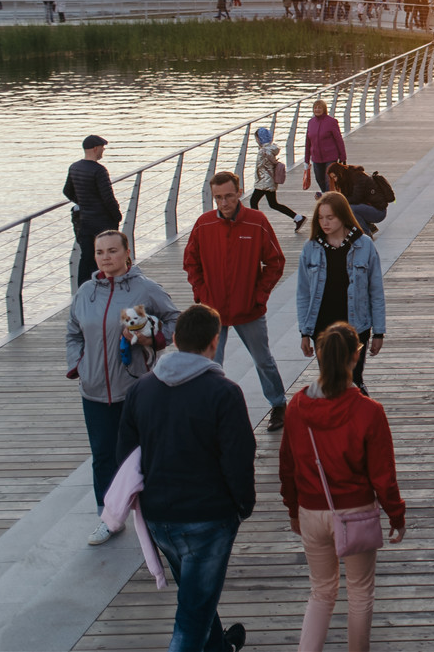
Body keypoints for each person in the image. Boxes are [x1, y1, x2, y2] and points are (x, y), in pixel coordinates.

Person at [117, 304, 256, 652]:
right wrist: (243, 504)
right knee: (191, 617)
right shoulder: (224, 392)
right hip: (207, 518)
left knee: (195, 594)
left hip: (158, 517)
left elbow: (125, 457)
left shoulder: (140, 390)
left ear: (175, 339)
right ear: (214, 342)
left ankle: (220, 648)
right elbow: (238, 458)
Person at [279, 323, 405, 652]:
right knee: (360, 593)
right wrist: (396, 514)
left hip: (311, 509)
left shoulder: (296, 407)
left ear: (318, 356)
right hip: (356, 511)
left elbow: (287, 466)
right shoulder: (369, 411)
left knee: (321, 592)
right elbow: (383, 475)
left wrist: (293, 510)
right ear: (355, 356)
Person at [66, 230, 180, 544]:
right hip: (94, 391)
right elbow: (73, 331)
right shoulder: (86, 292)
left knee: (142, 453)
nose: (106, 257)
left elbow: (174, 319)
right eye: (100, 252)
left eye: (112, 251)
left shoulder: (146, 288)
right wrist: (78, 365)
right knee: (103, 456)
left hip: (135, 390)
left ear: (127, 252)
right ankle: (110, 518)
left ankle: (156, 512)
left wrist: (152, 340)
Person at [183, 171, 289, 431]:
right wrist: (202, 295)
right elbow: (190, 262)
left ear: (240, 192)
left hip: (248, 309)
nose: (224, 203)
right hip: (213, 310)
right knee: (210, 364)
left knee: (263, 359)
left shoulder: (257, 221)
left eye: (228, 196)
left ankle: (279, 405)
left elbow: (275, 262)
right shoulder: (204, 224)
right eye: (218, 198)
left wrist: (259, 295)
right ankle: (212, 410)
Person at [296, 193, 386, 393]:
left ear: (343, 216)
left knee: (354, 380)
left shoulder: (364, 245)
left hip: (356, 326)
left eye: (330, 217)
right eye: (320, 218)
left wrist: (379, 332)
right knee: (329, 382)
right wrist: (304, 332)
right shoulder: (311, 248)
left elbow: (376, 291)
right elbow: (303, 293)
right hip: (322, 327)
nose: (324, 223)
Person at [65, 134, 123, 287]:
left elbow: (67, 191)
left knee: (87, 256)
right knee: (106, 255)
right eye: (102, 148)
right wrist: (117, 216)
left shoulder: (75, 167)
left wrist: (83, 202)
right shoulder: (99, 170)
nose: (103, 151)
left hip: (84, 220)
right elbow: (108, 198)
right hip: (102, 221)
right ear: (95, 148)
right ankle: (106, 285)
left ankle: (83, 288)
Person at [250, 127, 305, 232]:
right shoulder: (271, 149)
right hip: (270, 181)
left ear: (259, 138)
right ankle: (298, 218)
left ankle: (257, 225)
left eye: (257, 138)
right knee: (273, 204)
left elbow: (259, 166)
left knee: (253, 201)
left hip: (263, 182)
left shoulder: (262, 151)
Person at [327, 163, 387, 235]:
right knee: (344, 208)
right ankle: (370, 227)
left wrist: (339, 200)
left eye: (335, 176)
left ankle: (365, 234)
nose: (335, 180)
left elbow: (356, 198)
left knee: (351, 209)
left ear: (340, 173)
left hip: (379, 212)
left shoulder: (357, 177)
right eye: (333, 178)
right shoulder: (347, 179)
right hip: (369, 208)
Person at [304, 100, 346, 196]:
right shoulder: (311, 122)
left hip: (330, 157)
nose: (317, 110)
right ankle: (327, 195)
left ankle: (329, 198)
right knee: (319, 179)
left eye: (320, 108)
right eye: (315, 108)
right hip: (316, 157)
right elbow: (308, 142)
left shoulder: (331, 122)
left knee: (329, 181)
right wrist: (306, 160)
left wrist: (343, 157)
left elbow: (339, 140)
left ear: (324, 109)